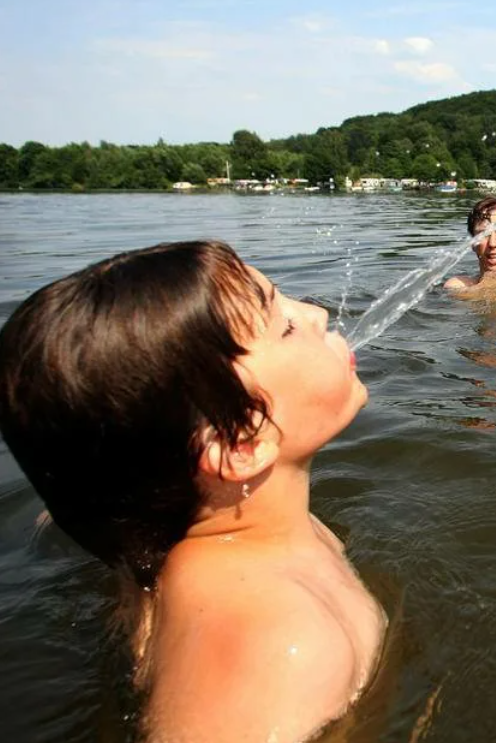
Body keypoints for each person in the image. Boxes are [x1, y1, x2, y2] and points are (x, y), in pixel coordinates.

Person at [0, 241, 386, 742]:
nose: (316, 312)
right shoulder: (280, 648)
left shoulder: (213, 534)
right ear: (240, 443)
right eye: (285, 325)